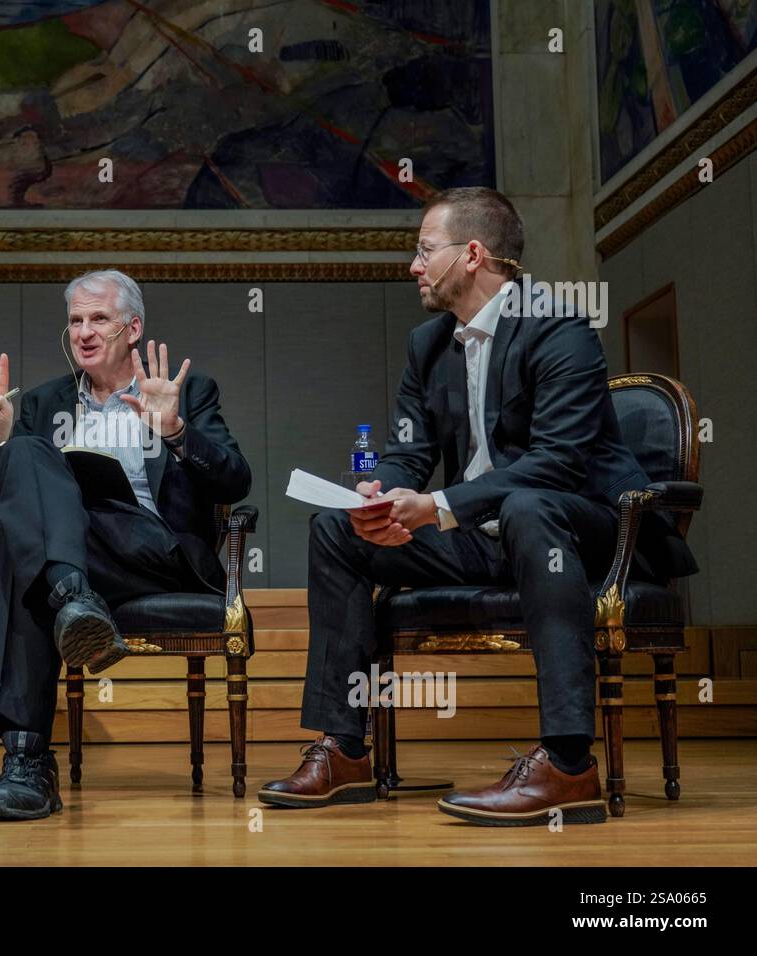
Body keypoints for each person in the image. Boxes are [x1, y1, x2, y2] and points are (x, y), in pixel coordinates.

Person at [258, 188, 695, 825]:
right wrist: (379, 495)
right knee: (335, 529)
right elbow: (408, 451)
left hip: (585, 529)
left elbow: (558, 463)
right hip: (483, 532)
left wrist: (436, 504)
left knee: (528, 506)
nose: (412, 266)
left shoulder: (560, 328)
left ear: (471, 254)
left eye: (423, 250)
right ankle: (344, 749)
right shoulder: (427, 344)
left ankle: (570, 766)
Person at [0, 269, 250, 821]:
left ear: (133, 328)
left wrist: (176, 430)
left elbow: (235, 480)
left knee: (36, 555)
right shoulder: (42, 404)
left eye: (99, 320)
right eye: (74, 321)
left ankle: (28, 757)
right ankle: (30, 753)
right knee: (24, 467)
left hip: (152, 553)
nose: (84, 333)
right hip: (85, 570)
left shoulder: (186, 391)